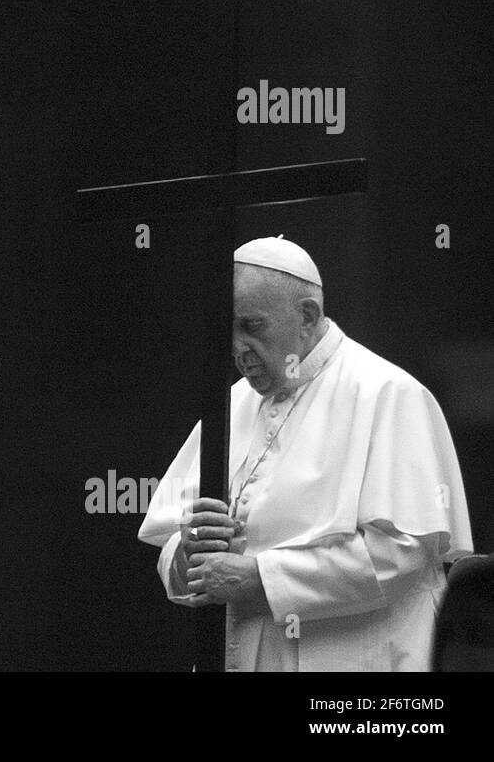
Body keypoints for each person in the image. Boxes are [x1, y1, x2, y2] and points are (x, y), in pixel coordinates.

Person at [138, 236, 473, 671]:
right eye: (228, 328)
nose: (236, 347)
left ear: (307, 316)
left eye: (252, 326)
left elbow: (401, 551)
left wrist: (259, 578)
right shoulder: (232, 405)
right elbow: (170, 542)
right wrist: (189, 552)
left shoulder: (386, 393)